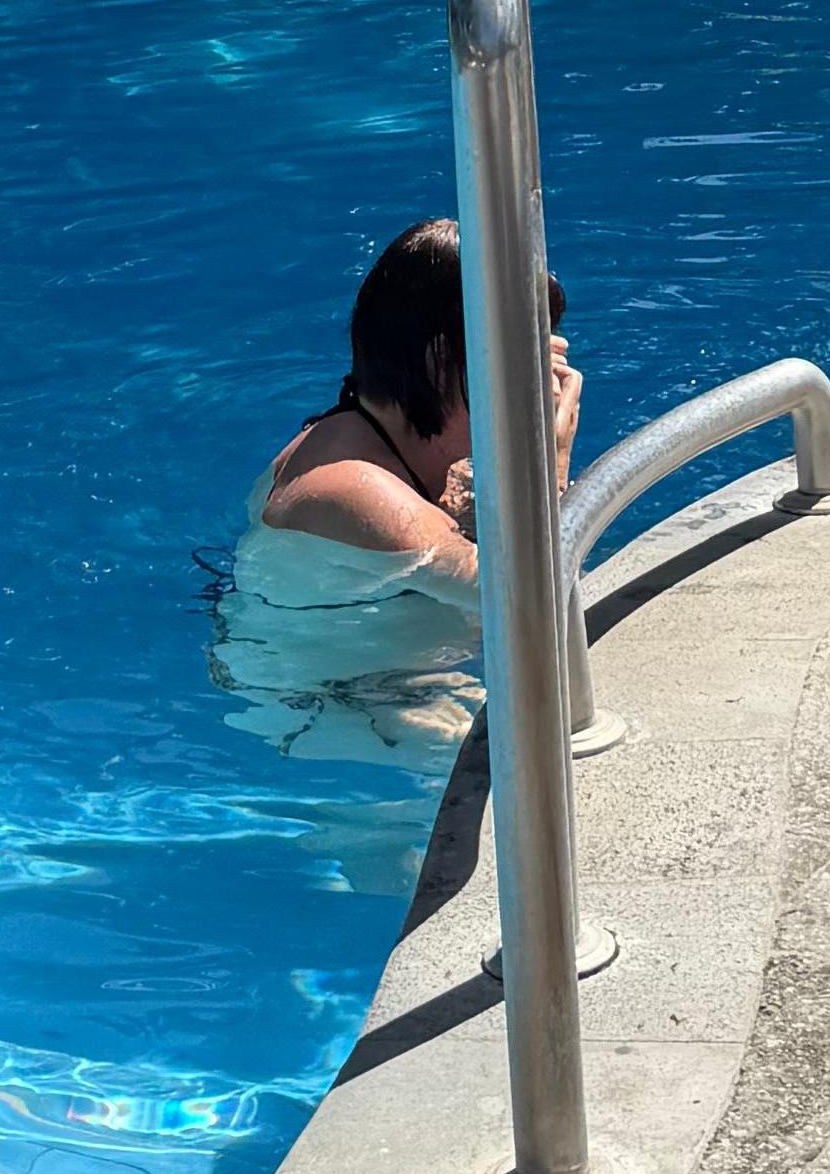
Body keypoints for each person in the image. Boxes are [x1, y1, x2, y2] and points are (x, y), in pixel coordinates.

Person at [215, 219, 582, 767]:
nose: (548, 369)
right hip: (324, 709)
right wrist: (549, 461)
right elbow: (532, 607)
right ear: (443, 358)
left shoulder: (379, 443)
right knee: (551, 758)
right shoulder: (359, 491)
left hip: (367, 682)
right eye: (527, 349)